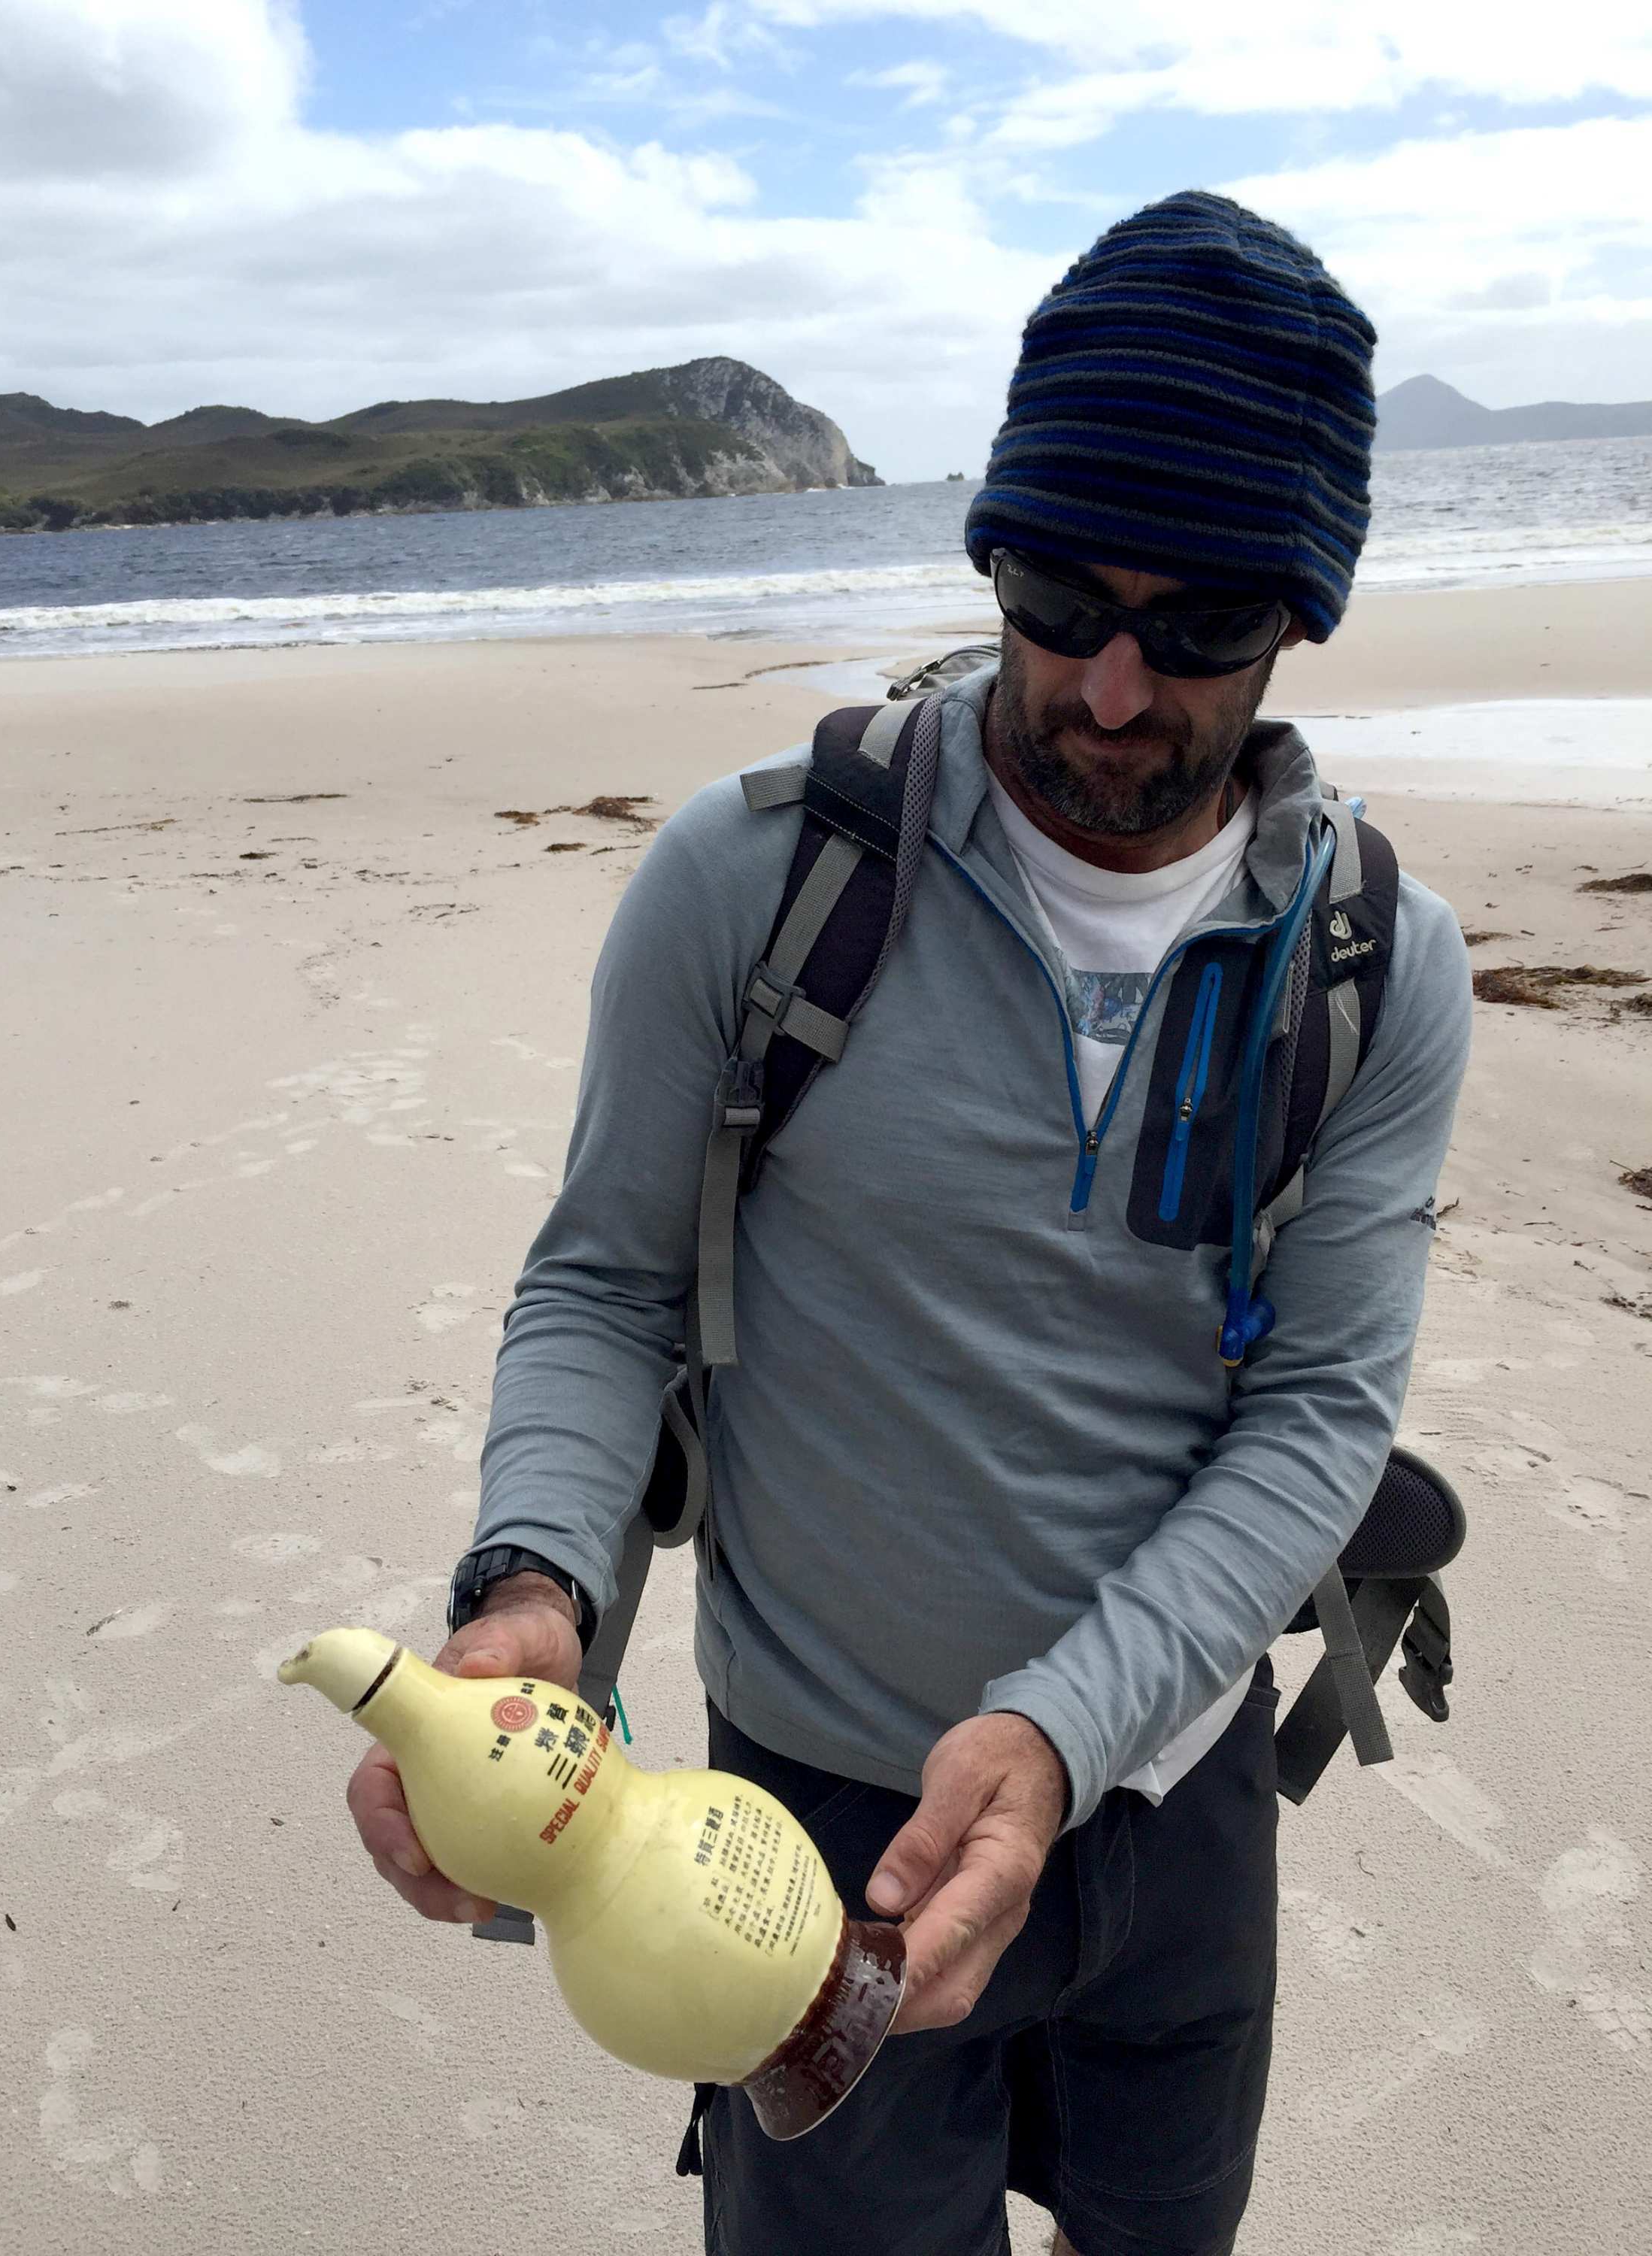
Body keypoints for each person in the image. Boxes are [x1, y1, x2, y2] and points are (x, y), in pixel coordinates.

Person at [348, 189, 1472, 2256]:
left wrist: (1065, 1736)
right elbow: (601, 1289)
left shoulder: (1374, 962)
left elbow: (1316, 1413)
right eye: (1056, 591)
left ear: (1300, 615)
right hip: (794, 1824)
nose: (1111, 688)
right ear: (988, 556)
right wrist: (535, 1593)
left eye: (1199, 623)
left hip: (1174, 1799)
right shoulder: (748, 881)